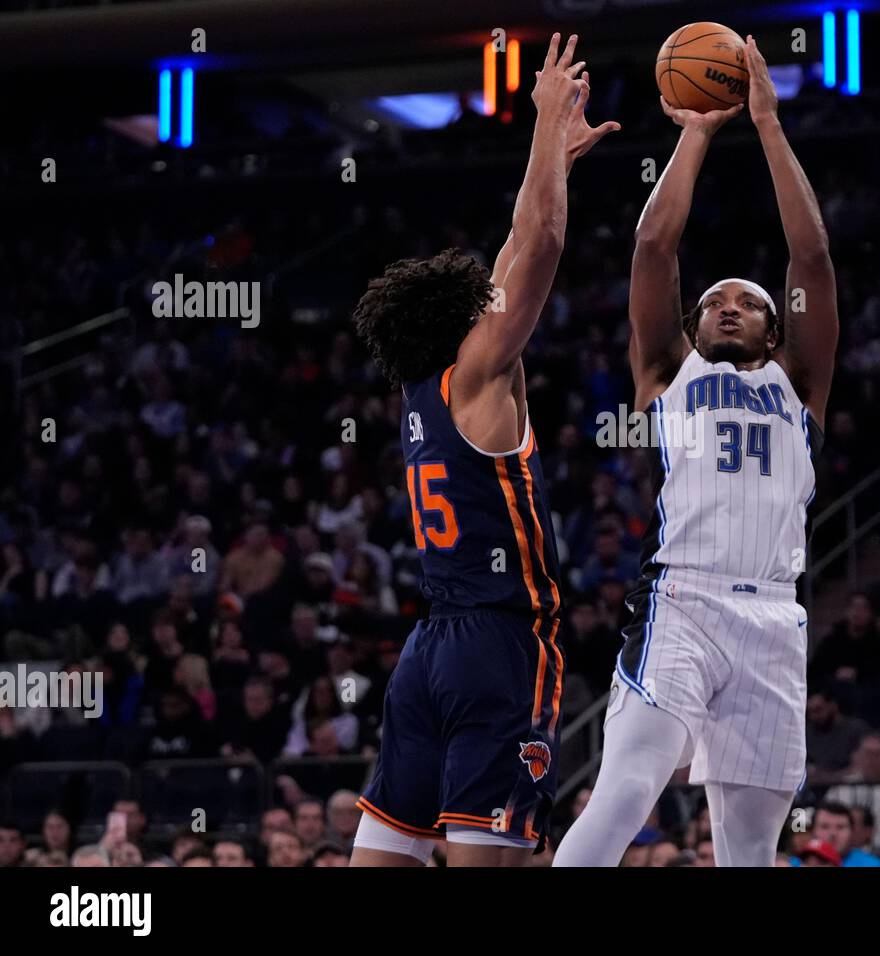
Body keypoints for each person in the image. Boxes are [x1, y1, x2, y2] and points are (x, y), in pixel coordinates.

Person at [555, 37, 837, 868]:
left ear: (775, 328)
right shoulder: (666, 373)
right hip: (682, 600)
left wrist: (769, 125)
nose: (725, 307)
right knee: (628, 788)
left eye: (745, 303)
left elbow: (811, 257)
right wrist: (699, 134)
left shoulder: (801, 385)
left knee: (750, 846)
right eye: (712, 302)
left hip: (775, 616)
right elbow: (653, 251)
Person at [348, 34, 617, 868]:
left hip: (424, 654)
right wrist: (542, 124)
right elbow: (536, 246)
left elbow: (515, 243)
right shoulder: (478, 375)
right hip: (498, 647)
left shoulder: (421, 390)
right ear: (464, 318)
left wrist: (554, 167)